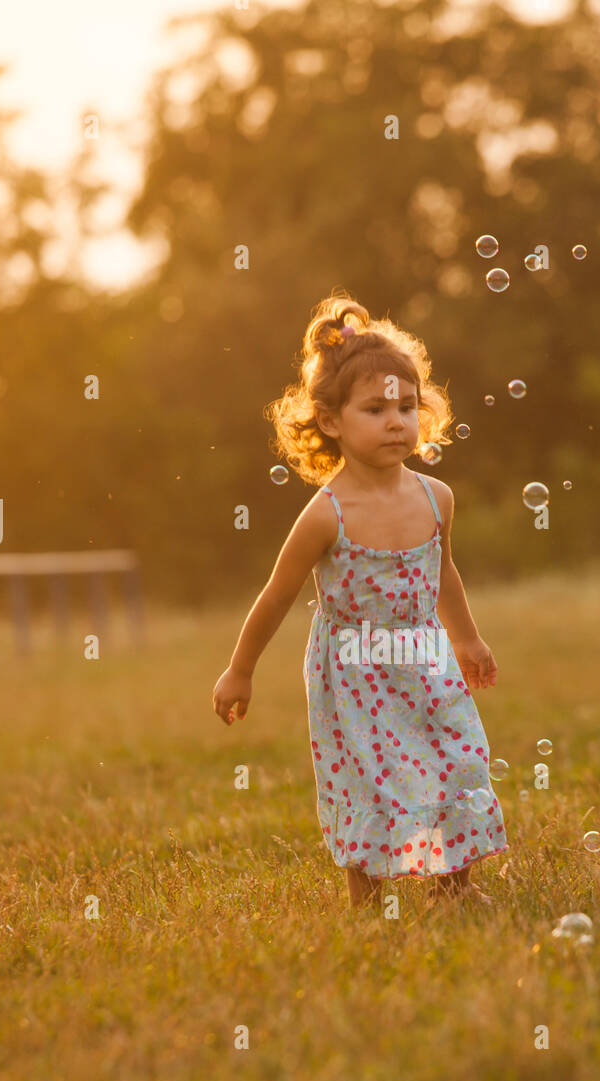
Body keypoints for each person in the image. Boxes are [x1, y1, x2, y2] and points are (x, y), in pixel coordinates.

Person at [212, 292, 508, 910]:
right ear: (331, 421)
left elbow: (442, 571)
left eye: (406, 406)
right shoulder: (326, 515)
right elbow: (275, 596)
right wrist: (240, 668)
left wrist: (467, 638)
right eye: (374, 409)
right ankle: (367, 900)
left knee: (452, 762)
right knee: (370, 784)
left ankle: (455, 886)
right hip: (355, 672)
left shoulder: (436, 498)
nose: (396, 420)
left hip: (426, 658)